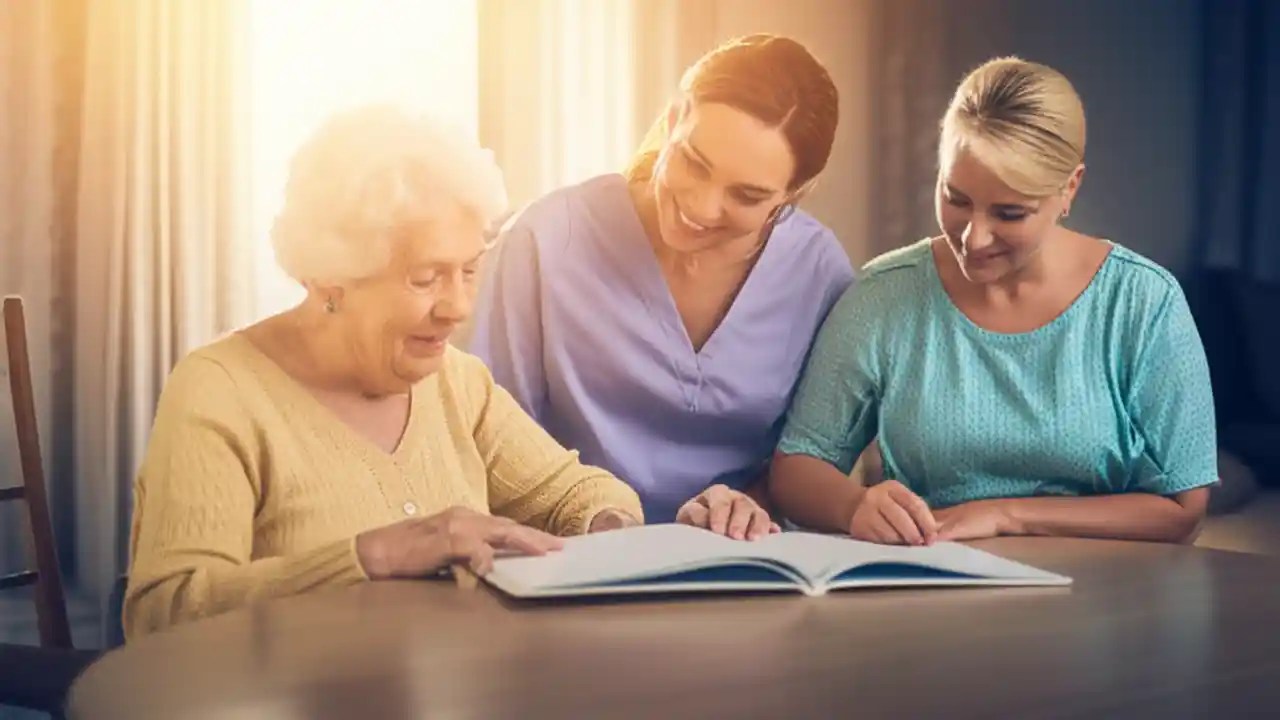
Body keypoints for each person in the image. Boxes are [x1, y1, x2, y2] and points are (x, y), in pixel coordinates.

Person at [124, 106, 644, 639]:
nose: (459, 307)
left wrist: (606, 531)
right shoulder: (220, 391)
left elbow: (583, 494)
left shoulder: (457, 383)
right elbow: (166, 613)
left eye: (468, 270)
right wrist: (372, 556)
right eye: (425, 279)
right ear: (331, 282)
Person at [770, 57, 1217, 545]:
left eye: (1009, 213)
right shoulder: (884, 294)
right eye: (955, 198)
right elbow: (796, 468)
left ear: (1070, 188)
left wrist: (1007, 515)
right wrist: (854, 504)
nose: (975, 238)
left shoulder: (1142, 302)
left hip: (1112, 596)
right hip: (935, 580)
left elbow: (1184, 507)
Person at [470, 35, 854, 537]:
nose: (702, 205)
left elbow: (811, 458)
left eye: (747, 195)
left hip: (744, 563)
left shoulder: (819, 273)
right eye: (694, 162)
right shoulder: (543, 241)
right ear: (674, 121)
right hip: (570, 558)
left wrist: (742, 508)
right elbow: (486, 440)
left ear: (794, 193)